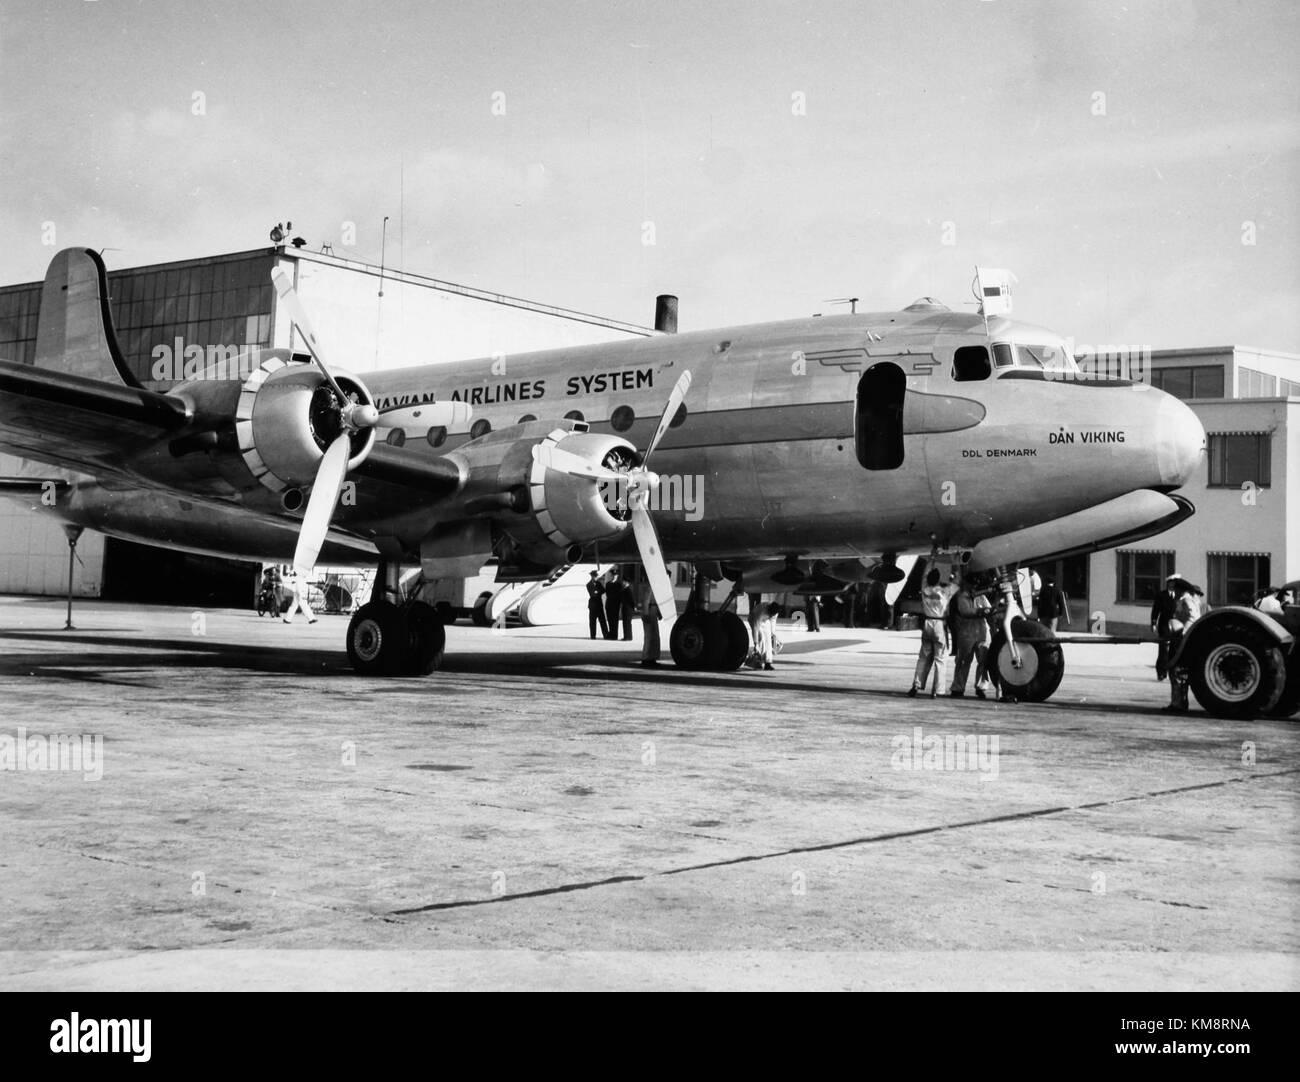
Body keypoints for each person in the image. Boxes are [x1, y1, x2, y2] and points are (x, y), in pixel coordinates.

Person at [908, 561, 959, 697]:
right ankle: (936, 690)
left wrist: (932, 558)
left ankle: (916, 685)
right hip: (939, 625)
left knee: (923, 657)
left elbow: (924, 576)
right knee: (940, 658)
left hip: (927, 623)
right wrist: (956, 561)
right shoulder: (945, 591)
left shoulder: (925, 589)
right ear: (939, 580)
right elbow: (958, 580)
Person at [1164, 576, 1207, 712]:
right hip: (1181, 637)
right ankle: (1179, 702)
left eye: (1175, 589)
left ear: (1180, 590)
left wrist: (1184, 633)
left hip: (1181, 638)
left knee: (1177, 671)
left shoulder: (1186, 601)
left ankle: (1178, 704)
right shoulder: (1187, 600)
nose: (1173, 591)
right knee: (1178, 673)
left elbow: (1193, 618)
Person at [949, 579, 993, 699]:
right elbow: (966, 611)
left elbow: (990, 611)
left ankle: (981, 687)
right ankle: (958, 687)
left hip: (981, 631)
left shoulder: (981, 597)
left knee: (983, 661)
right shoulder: (961, 597)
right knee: (963, 661)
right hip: (967, 632)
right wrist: (982, 611)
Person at [1150, 575, 1178, 680]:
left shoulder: (1179, 596)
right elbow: (1156, 610)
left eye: (1175, 582)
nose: (1173, 584)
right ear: (1168, 583)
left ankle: (1172, 672)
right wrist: (1153, 623)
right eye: (1171, 582)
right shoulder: (1162, 595)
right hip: (1164, 625)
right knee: (1163, 650)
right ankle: (1161, 672)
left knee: (1174, 649)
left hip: (1176, 626)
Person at [748, 593, 777, 670]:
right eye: (771, 614)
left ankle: (768, 663)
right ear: (768, 610)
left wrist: (773, 634)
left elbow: (773, 622)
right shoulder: (760, 613)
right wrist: (755, 643)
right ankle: (759, 662)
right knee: (762, 639)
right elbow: (755, 629)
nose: (772, 615)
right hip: (754, 619)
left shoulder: (775, 611)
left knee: (768, 641)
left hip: (765, 620)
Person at [638, 580, 662, 667]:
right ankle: (646, 658)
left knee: (655, 636)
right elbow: (646, 601)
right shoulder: (650, 586)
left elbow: (657, 602)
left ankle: (652, 658)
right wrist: (646, 614)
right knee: (649, 636)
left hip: (654, 610)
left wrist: (659, 612)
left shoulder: (657, 588)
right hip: (650, 610)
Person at [586, 570, 608, 640]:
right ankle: (593, 636)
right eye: (594, 576)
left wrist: (597, 591)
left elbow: (603, 590)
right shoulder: (588, 584)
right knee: (592, 621)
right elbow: (592, 594)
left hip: (599, 604)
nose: (596, 578)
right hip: (593, 605)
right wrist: (597, 591)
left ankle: (606, 635)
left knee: (603, 621)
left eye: (596, 576)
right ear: (592, 576)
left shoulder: (598, 583)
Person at [603, 572, 622, 640]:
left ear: (617, 576)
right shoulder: (608, 584)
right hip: (609, 604)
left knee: (615, 621)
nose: (614, 577)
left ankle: (615, 635)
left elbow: (619, 595)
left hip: (615, 605)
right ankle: (611, 634)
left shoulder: (618, 584)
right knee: (610, 620)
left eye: (616, 576)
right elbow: (608, 594)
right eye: (613, 575)